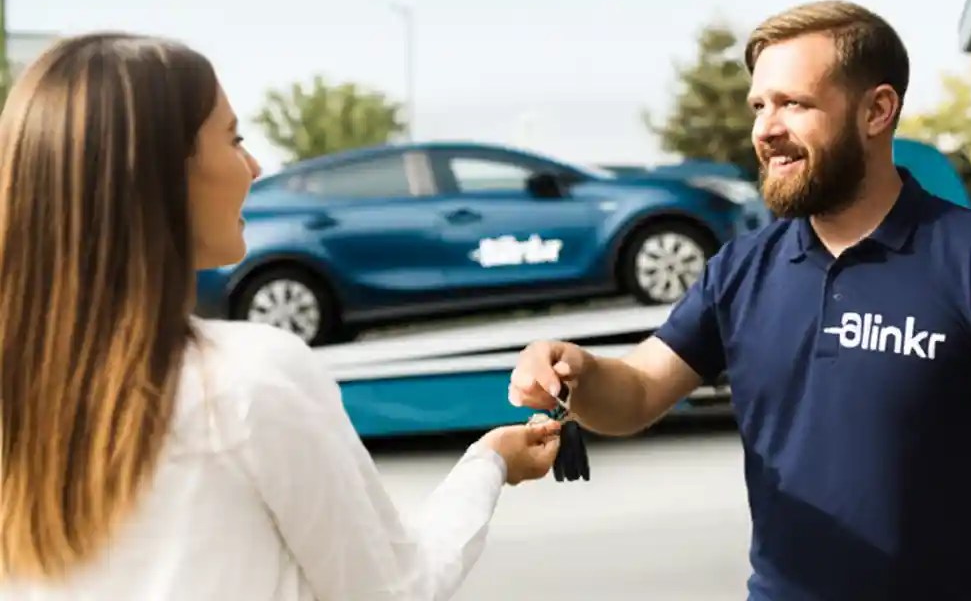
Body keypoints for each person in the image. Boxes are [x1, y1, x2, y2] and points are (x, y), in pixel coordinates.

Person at [510, 0, 971, 600]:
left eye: (794, 104)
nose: (766, 128)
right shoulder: (741, 269)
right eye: (760, 105)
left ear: (877, 110)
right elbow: (635, 393)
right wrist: (574, 370)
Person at [0, 32, 562, 600]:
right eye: (233, 138)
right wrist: (489, 464)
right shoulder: (246, 380)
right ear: (163, 174)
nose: (254, 164)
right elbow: (395, 593)